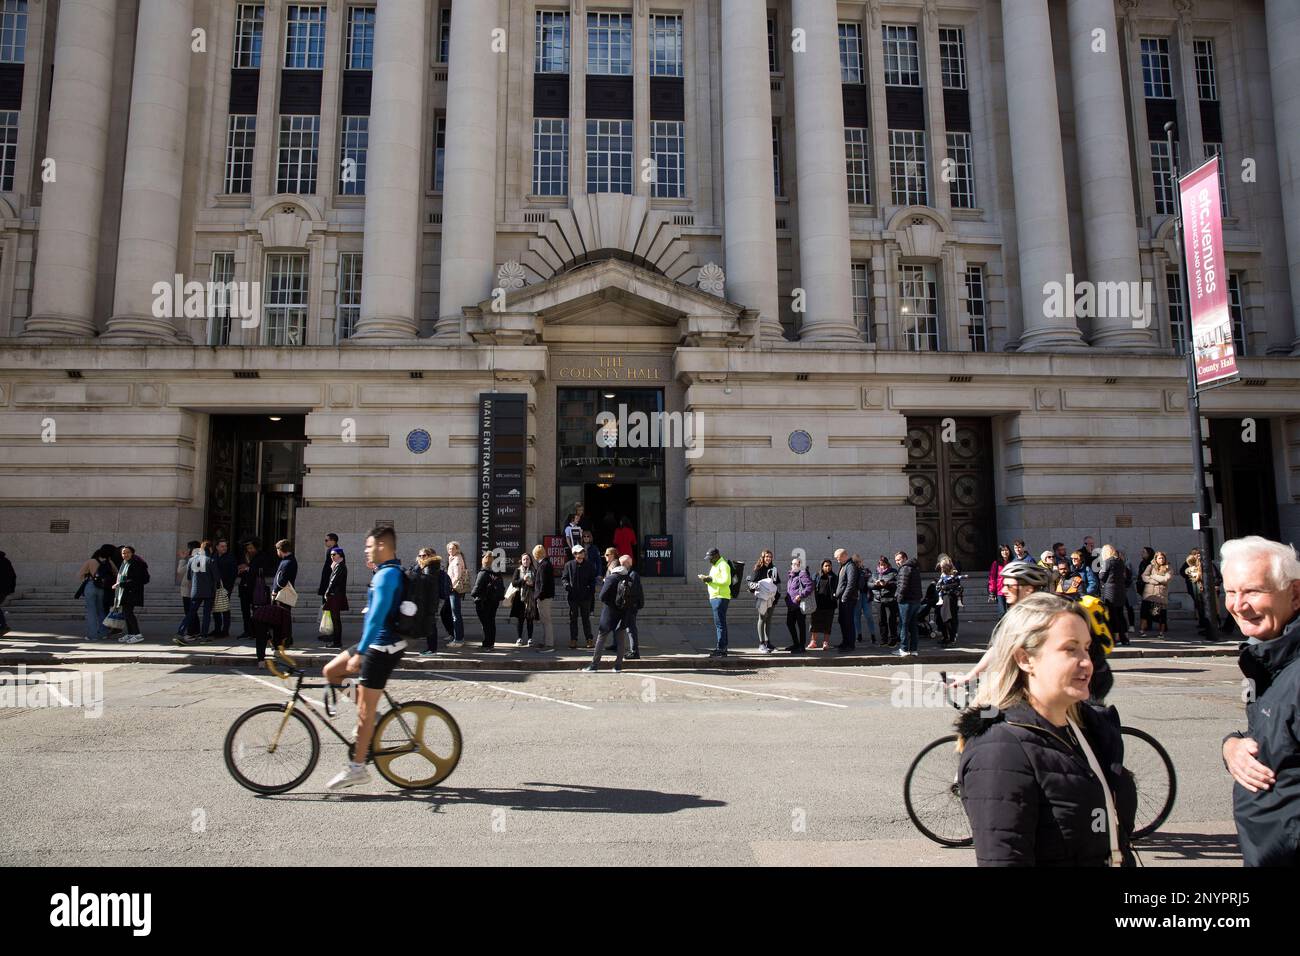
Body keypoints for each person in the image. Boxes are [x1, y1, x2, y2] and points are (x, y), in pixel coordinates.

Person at [956, 593, 1136, 866]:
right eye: (1070, 649)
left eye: (1087, 648)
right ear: (1025, 659)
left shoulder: (1088, 729)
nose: (1086, 662)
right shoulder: (1000, 750)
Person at [1218, 536, 1300, 866]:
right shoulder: (1269, 657)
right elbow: (1274, 734)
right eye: (1230, 592)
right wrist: (1233, 746)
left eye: (1252, 591)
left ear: (1294, 594)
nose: (1238, 605)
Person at [322, 526, 408, 791]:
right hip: (371, 642)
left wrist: (360, 653)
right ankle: (376, 717)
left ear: (382, 545)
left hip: (383, 647)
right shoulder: (382, 573)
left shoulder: (388, 575)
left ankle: (358, 768)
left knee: (364, 713)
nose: (366, 550)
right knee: (331, 671)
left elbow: (378, 614)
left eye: (370, 545)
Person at [581, 552, 631, 672]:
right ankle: (618, 666)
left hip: (609, 612)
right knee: (621, 640)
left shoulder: (611, 578)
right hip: (623, 611)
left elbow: (602, 596)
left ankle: (594, 665)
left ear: (612, 568)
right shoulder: (628, 577)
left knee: (601, 638)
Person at [77, 544, 119, 641]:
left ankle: (93, 635)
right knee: (101, 610)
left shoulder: (91, 561)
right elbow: (116, 573)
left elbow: (80, 574)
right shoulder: (109, 561)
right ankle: (103, 633)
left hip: (91, 585)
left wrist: (88, 579)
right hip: (103, 588)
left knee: (91, 611)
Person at [177, 540, 216, 646]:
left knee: (190, 613)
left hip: (195, 590)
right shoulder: (210, 560)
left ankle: (180, 632)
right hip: (208, 591)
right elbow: (216, 577)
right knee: (206, 614)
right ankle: (203, 636)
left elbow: (189, 577)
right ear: (210, 549)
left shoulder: (191, 560)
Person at [699, 547, 733, 658]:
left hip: (720, 597)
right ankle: (722, 648)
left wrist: (710, 579)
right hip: (716, 597)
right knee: (720, 624)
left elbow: (726, 581)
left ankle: (721, 648)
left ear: (717, 555)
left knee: (720, 625)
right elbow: (714, 580)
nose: (709, 560)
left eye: (711, 558)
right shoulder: (716, 565)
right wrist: (707, 579)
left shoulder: (723, 565)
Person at [563, 543, 598, 649]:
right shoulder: (569, 565)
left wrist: (590, 590)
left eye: (583, 551)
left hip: (585, 597)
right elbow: (564, 578)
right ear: (575, 554)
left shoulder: (589, 565)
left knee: (585, 619)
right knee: (573, 618)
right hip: (573, 597)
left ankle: (589, 639)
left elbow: (593, 579)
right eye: (580, 552)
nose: (582, 553)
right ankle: (573, 639)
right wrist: (567, 586)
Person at [235, 538, 271, 640]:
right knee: (244, 611)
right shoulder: (244, 556)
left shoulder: (262, 556)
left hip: (256, 588)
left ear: (256, 548)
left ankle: (257, 631)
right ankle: (247, 631)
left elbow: (264, 570)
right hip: (244, 587)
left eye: (251, 548)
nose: (249, 550)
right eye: (248, 548)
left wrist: (249, 569)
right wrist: (240, 569)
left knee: (257, 610)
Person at [113, 545, 148, 644]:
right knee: (126, 613)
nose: (125, 554)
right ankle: (131, 633)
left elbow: (137, 580)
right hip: (125, 592)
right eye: (123, 553)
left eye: (127, 552)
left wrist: (121, 584)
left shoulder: (135, 564)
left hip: (132, 592)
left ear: (132, 553)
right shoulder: (124, 563)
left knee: (129, 613)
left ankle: (137, 634)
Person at [749, 549, 781, 654]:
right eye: (767, 556)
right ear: (763, 557)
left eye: (770, 557)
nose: (768, 558)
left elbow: (777, 583)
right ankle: (761, 643)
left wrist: (777, 596)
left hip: (772, 598)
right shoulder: (758, 569)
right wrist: (759, 589)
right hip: (762, 598)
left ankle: (767, 642)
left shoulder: (774, 569)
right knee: (762, 618)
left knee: (769, 619)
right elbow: (752, 584)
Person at [471, 551, 504, 649]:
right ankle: (491, 643)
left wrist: (473, 595)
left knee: (485, 624)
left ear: (483, 561)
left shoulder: (483, 573)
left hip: (483, 602)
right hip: (494, 601)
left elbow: (477, 588)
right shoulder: (497, 573)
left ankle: (487, 643)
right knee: (491, 622)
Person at [1098, 543, 1129, 646]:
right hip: (1121, 590)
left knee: (1112, 614)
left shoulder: (1107, 562)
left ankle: (1115, 638)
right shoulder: (1120, 561)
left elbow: (1102, 576)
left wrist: (1100, 572)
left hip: (1110, 591)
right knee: (1120, 614)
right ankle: (1125, 637)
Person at [894, 550, 923, 657]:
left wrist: (898, 598)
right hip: (915, 600)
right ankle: (914, 649)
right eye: (896, 560)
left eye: (899, 559)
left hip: (906, 601)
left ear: (905, 558)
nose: (897, 562)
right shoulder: (914, 568)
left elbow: (903, 586)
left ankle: (904, 649)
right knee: (913, 625)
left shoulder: (904, 568)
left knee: (903, 625)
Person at [319, 546, 348, 649]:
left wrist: (327, 592)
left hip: (335, 596)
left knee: (335, 619)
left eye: (334, 554)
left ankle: (337, 642)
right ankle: (336, 641)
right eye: (331, 554)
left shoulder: (340, 566)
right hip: (336, 595)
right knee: (335, 619)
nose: (332, 556)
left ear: (340, 555)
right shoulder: (338, 565)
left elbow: (333, 581)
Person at [1139, 551, 1172, 637]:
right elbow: (1144, 576)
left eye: (1163, 558)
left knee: (1160, 614)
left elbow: (1166, 579)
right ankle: (1142, 631)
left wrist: (1153, 576)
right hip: (1149, 594)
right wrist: (1155, 580)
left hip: (1160, 595)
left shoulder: (1168, 568)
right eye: (1159, 558)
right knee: (1145, 613)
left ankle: (1161, 633)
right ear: (1156, 559)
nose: (1161, 560)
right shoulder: (1150, 566)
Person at [508, 551, 538, 648]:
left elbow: (538, 584)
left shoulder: (534, 570)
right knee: (520, 620)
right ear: (521, 561)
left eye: (527, 559)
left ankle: (530, 639)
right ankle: (519, 638)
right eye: (524, 559)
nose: (526, 561)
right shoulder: (518, 570)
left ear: (530, 561)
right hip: (520, 599)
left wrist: (532, 584)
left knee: (530, 620)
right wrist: (523, 579)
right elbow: (514, 583)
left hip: (531, 599)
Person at [618, 554, 644, 659]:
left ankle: (634, 651)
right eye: (620, 564)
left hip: (631, 606)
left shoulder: (633, 575)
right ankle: (633, 650)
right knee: (630, 628)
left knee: (631, 628)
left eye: (623, 564)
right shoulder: (629, 574)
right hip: (630, 605)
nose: (621, 566)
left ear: (628, 563)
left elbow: (632, 591)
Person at [784, 555, 813, 653]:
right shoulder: (792, 575)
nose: (795, 565)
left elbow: (809, 586)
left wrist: (800, 595)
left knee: (801, 625)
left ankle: (801, 646)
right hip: (791, 605)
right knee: (790, 623)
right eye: (793, 564)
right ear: (791, 565)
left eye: (798, 564)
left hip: (799, 605)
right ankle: (796, 644)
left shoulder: (802, 574)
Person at [934, 555, 963, 647]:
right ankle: (945, 637)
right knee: (942, 618)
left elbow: (956, 585)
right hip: (943, 598)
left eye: (943, 567)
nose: (941, 569)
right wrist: (939, 586)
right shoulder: (943, 574)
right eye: (941, 567)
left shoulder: (954, 574)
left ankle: (951, 639)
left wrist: (944, 587)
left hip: (951, 599)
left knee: (950, 619)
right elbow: (939, 585)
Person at [530, 543, 555, 652]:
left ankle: (549, 644)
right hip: (545, 596)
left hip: (544, 597)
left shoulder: (544, 565)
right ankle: (546, 641)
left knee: (546, 620)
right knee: (545, 620)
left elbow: (543, 583)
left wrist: (539, 596)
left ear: (536, 555)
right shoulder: (545, 564)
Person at [870, 556, 899, 647]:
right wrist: (875, 584)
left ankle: (893, 638)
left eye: (884, 565)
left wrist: (887, 584)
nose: (882, 567)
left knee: (892, 619)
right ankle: (884, 639)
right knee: (881, 620)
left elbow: (897, 583)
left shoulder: (893, 572)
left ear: (887, 564)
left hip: (890, 599)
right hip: (878, 599)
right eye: (880, 565)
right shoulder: (875, 573)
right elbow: (869, 584)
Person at [211, 540, 238, 638]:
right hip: (214, 586)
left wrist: (228, 586)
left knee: (224, 607)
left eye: (225, 546)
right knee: (215, 607)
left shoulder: (230, 557)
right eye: (222, 546)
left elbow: (234, 573)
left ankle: (225, 630)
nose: (224, 548)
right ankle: (217, 629)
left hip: (225, 587)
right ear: (217, 547)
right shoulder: (213, 556)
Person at [808, 559, 836, 650]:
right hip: (817, 604)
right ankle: (813, 642)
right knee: (814, 622)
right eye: (826, 566)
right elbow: (811, 586)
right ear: (822, 567)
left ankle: (825, 643)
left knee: (827, 624)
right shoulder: (816, 575)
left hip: (829, 604)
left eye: (829, 566)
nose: (828, 567)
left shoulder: (834, 576)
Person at [833, 548, 858, 652]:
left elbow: (851, 584)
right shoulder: (844, 566)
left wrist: (844, 597)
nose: (837, 560)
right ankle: (845, 642)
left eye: (838, 558)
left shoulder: (850, 566)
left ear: (843, 555)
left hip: (848, 600)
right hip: (842, 599)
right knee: (842, 621)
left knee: (848, 622)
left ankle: (850, 644)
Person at [445, 541, 469, 647]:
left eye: (453, 548)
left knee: (456, 615)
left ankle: (458, 639)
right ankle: (457, 637)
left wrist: (451, 586)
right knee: (455, 614)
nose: (450, 550)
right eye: (449, 548)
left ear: (457, 549)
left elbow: (457, 575)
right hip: (453, 589)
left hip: (454, 589)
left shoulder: (457, 559)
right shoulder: (453, 559)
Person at [852, 553, 879, 645]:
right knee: (856, 616)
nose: (858, 563)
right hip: (856, 596)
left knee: (868, 615)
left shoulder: (866, 570)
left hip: (865, 595)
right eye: (856, 562)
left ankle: (873, 635)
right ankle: (858, 635)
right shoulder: (852, 570)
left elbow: (870, 581)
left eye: (859, 561)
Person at [175, 540, 199, 638]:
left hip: (188, 590)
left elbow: (180, 571)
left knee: (189, 612)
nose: (187, 550)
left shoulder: (191, 560)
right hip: (191, 589)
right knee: (192, 612)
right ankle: (196, 631)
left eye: (188, 548)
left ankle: (191, 632)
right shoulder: (197, 559)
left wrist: (182, 559)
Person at [987, 544, 1012, 615]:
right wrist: (992, 591)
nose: (1005, 552)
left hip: (1011, 591)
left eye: (1006, 550)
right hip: (1000, 591)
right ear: (1000, 552)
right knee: (1002, 612)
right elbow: (992, 578)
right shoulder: (996, 563)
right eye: (1002, 550)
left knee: (1010, 612)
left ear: (1009, 551)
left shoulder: (1013, 562)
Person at [317, 533, 339, 602]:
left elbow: (336, 568)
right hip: (329, 581)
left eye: (326, 540)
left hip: (329, 582)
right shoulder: (332, 550)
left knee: (328, 605)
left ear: (332, 541)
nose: (325, 542)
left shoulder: (334, 551)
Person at [0, 547, 13, 637]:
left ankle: (3, 626)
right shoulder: (5, 561)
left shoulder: (3, 562)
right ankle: (3, 626)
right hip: (4, 589)